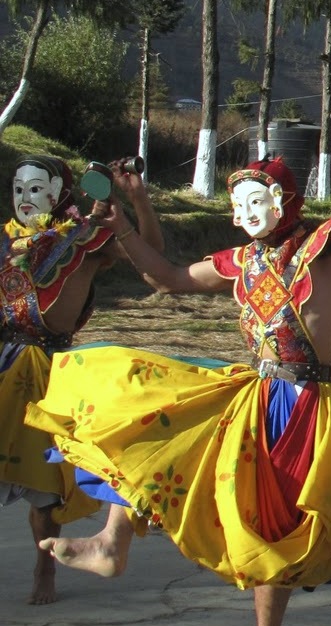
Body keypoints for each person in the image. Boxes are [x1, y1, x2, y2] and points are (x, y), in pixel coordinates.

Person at [25, 83, 331, 626]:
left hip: (307, 407)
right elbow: (170, 279)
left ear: (284, 201)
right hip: (255, 393)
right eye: (239, 204)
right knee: (148, 414)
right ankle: (112, 541)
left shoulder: (321, 247)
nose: (247, 212)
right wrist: (125, 227)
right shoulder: (240, 260)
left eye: (258, 201)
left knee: (276, 524)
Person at [0, 155, 162, 604]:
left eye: (36, 188)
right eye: (18, 189)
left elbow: (152, 256)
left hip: (48, 366)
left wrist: (137, 203)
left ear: (60, 193)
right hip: (1, 358)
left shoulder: (86, 238)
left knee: (44, 487)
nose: (25, 199)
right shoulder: (6, 241)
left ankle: (43, 569)